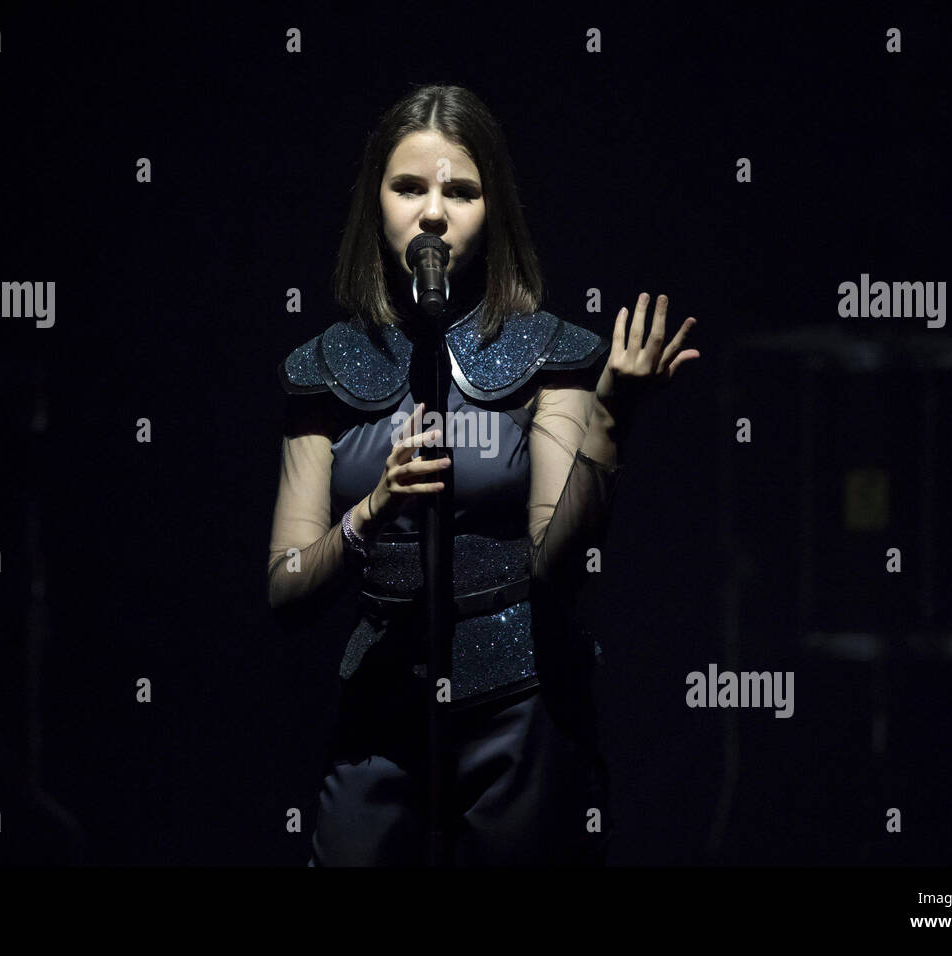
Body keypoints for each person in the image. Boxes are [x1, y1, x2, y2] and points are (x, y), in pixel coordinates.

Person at [267, 83, 699, 866]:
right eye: (410, 187)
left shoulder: (550, 356)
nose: (433, 213)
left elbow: (557, 564)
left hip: (519, 709)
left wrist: (611, 419)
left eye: (459, 191)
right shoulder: (323, 369)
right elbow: (286, 586)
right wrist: (370, 510)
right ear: (377, 203)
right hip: (380, 711)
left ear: (492, 208)